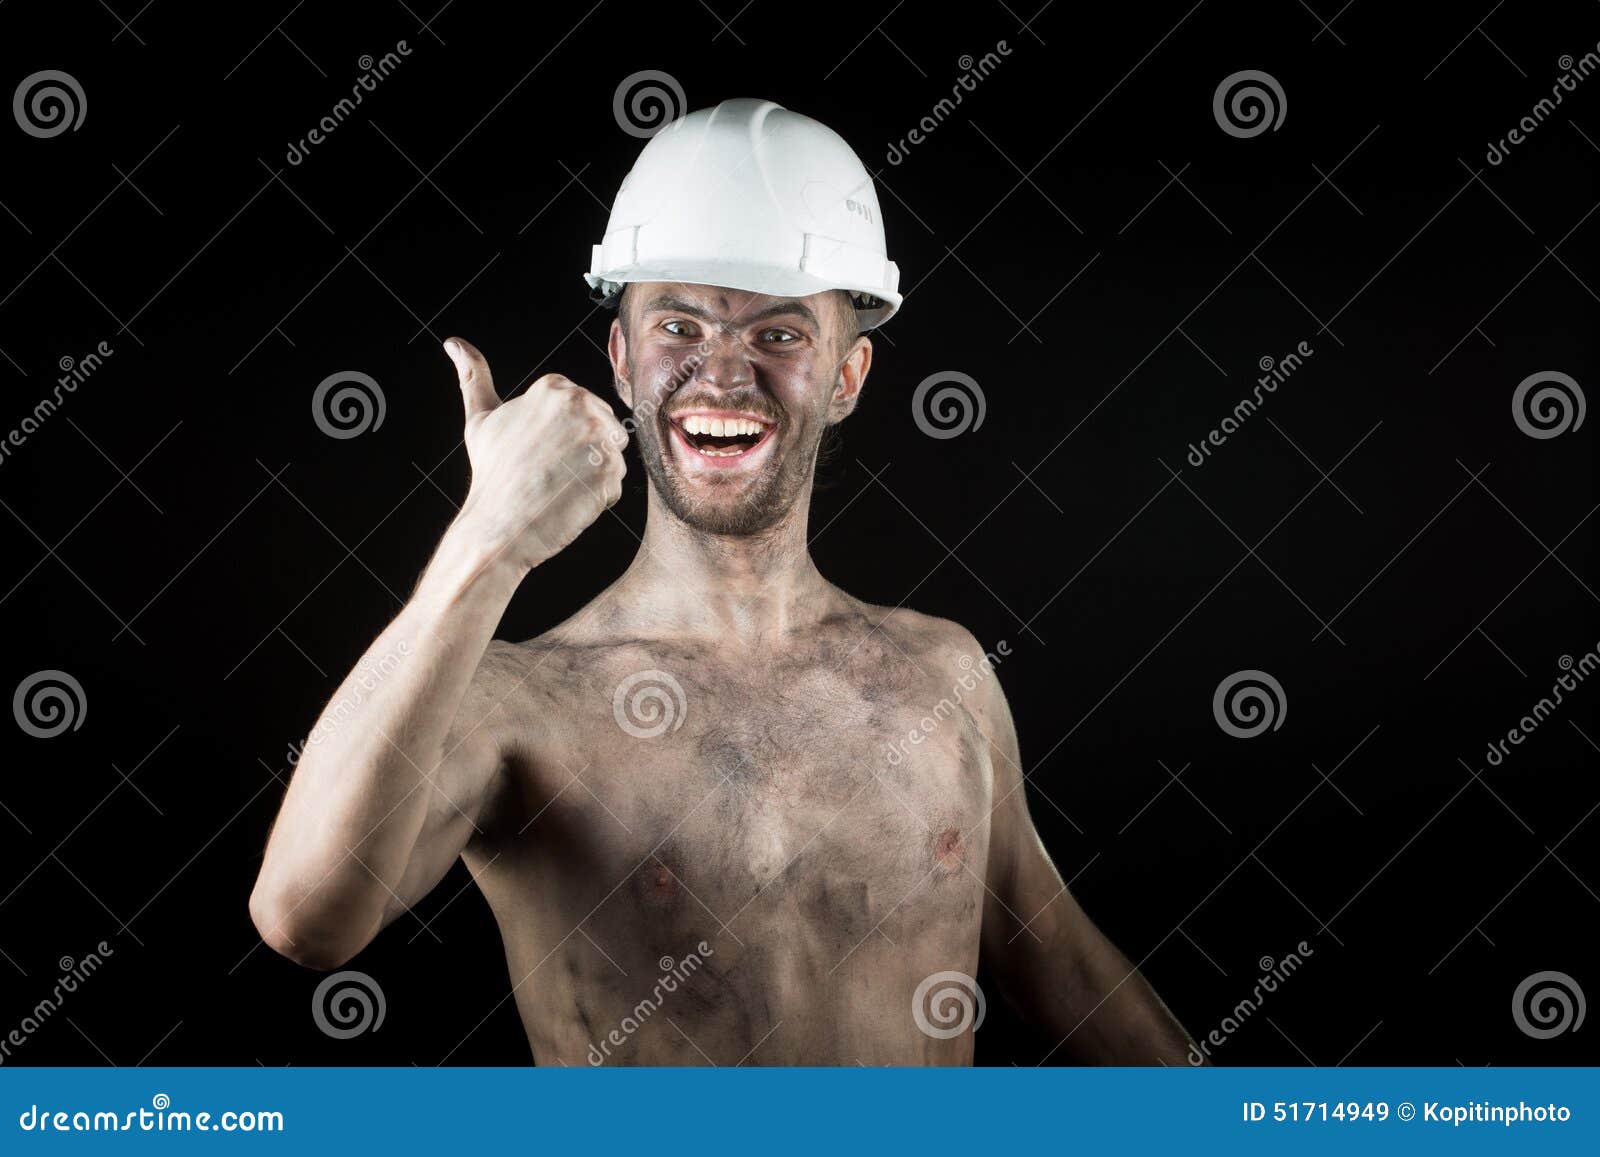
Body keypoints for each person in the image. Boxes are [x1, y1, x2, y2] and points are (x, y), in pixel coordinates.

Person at [249, 98, 1200, 1065]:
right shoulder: (517, 706)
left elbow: (1063, 971)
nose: (722, 376)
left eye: (780, 334)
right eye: (678, 324)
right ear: (621, 359)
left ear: (847, 376)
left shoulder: (943, 677)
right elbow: (304, 915)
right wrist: (486, 541)